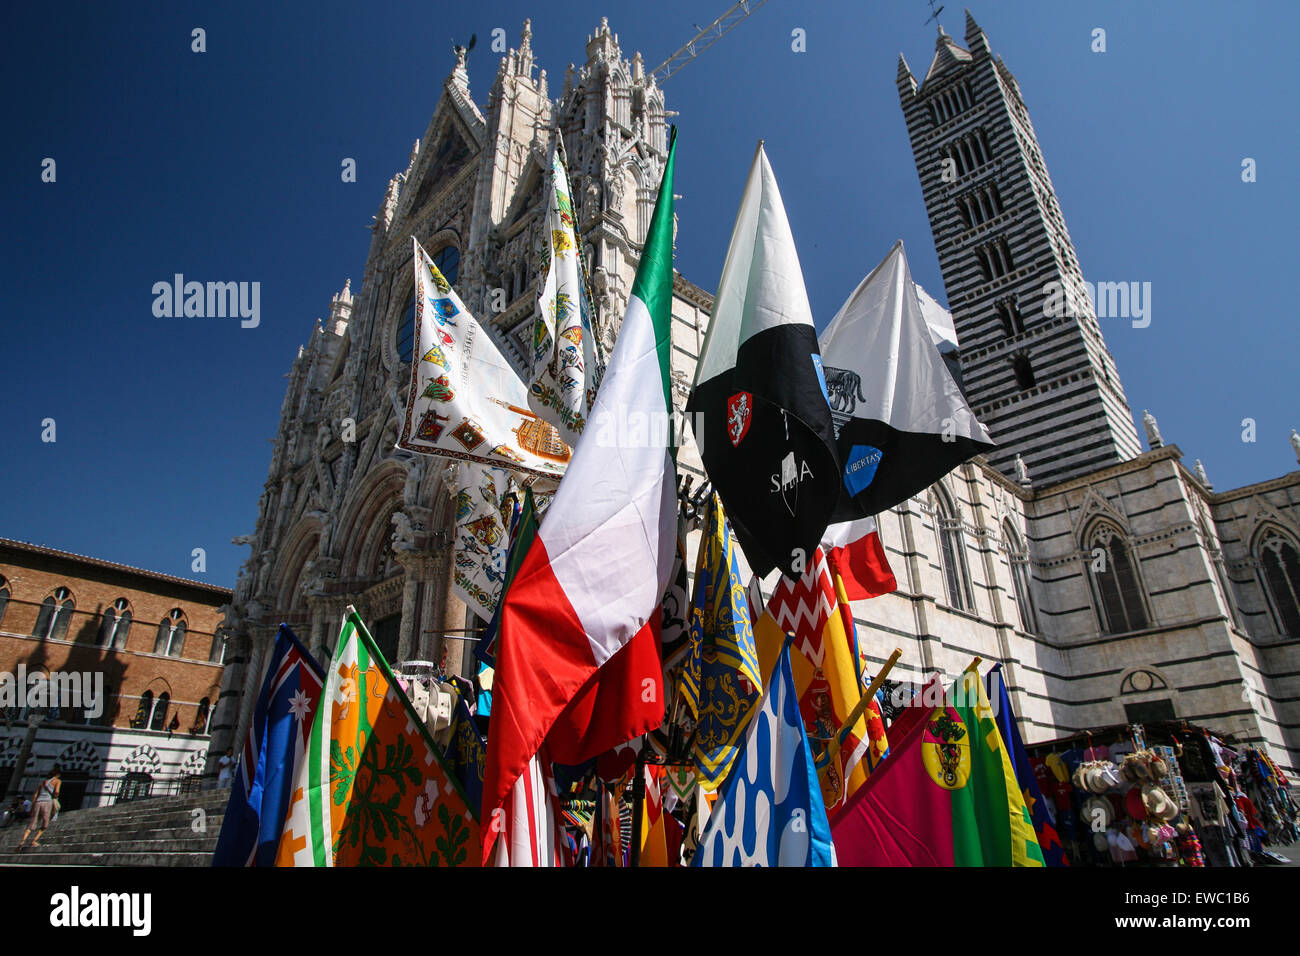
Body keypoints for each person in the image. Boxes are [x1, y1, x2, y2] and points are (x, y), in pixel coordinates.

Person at [16, 767, 61, 851]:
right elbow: (57, 792)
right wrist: (55, 797)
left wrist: (32, 807)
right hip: (47, 803)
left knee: (32, 824)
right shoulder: (57, 781)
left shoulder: (42, 783)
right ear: (57, 774)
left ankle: (22, 842)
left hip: (38, 803)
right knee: (44, 824)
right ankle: (34, 841)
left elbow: (35, 796)